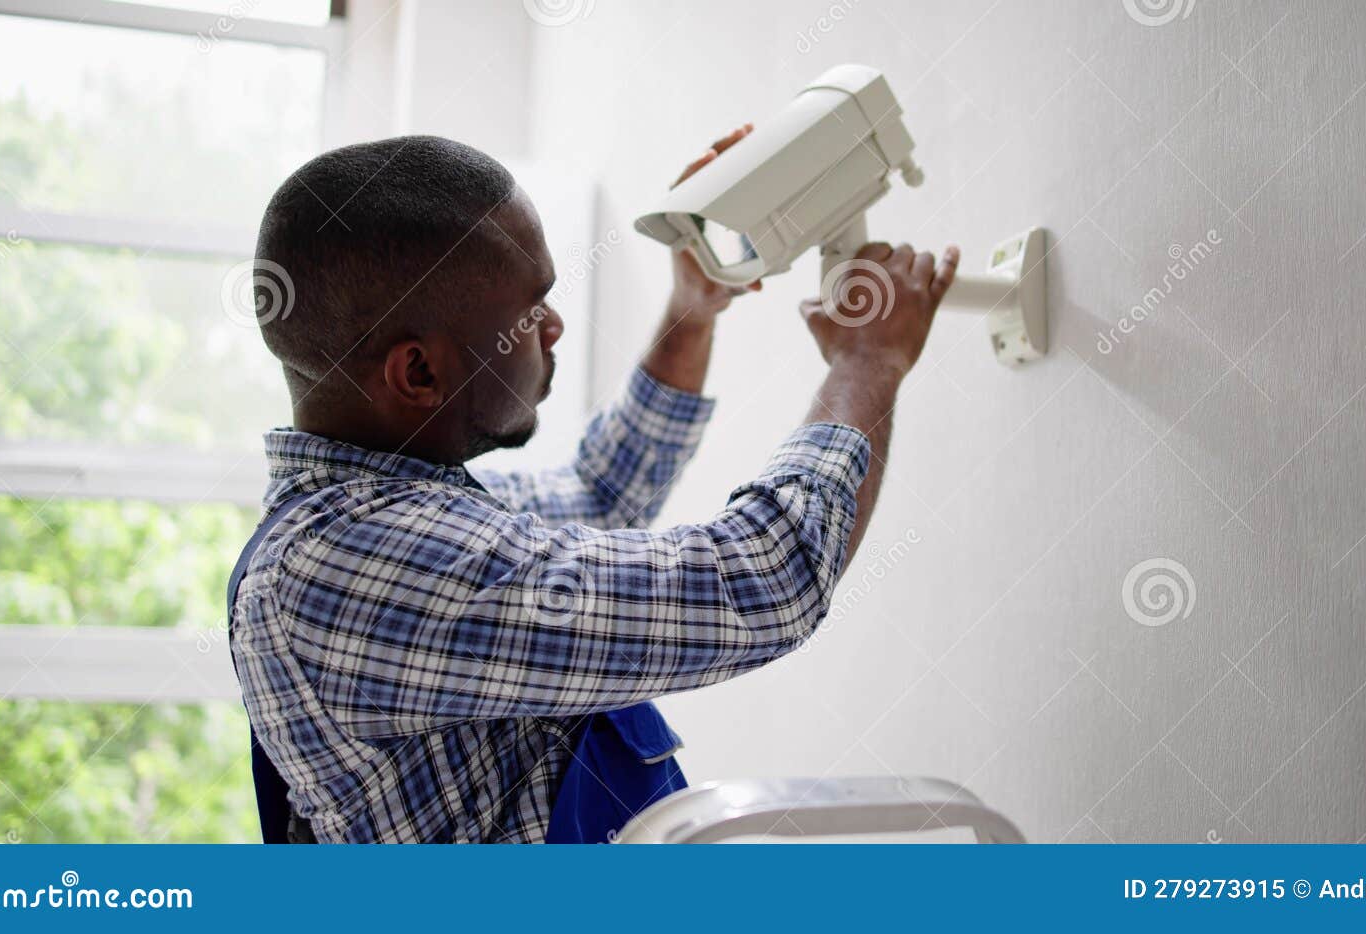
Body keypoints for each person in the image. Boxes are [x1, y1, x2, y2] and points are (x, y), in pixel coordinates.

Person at [228, 126, 961, 843]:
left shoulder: (400, 503)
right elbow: (765, 579)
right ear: (418, 372)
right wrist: (868, 364)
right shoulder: (352, 565)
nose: (554, 326)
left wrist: (693, 308)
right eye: (531, 308)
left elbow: (598, 498)